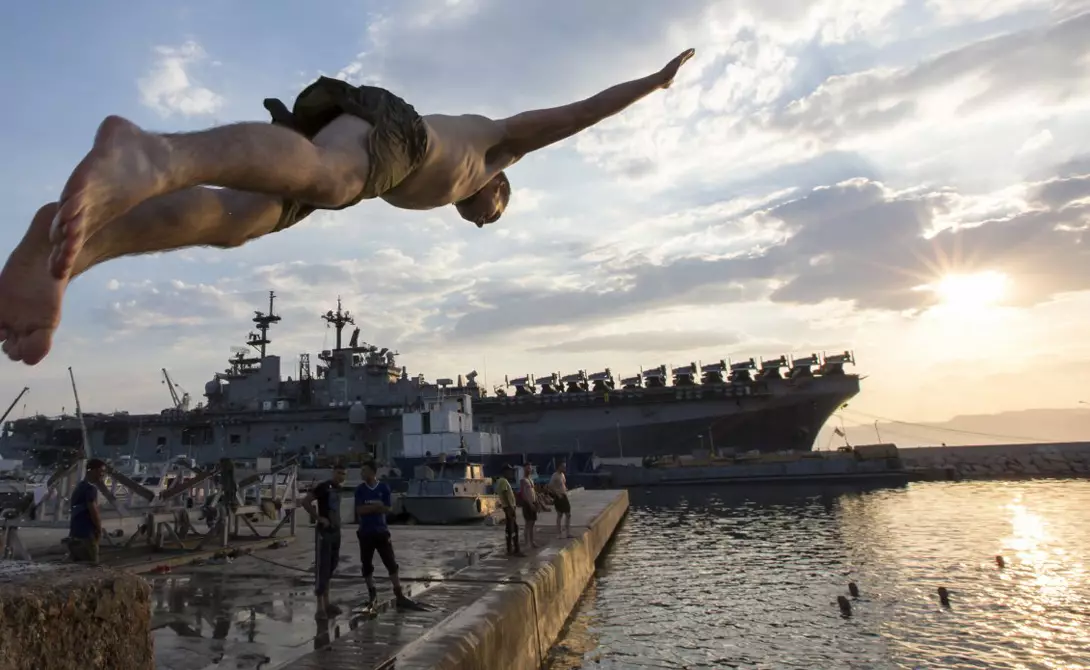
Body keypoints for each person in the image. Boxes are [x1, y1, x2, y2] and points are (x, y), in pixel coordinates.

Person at [0, 49, 696, 366]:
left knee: (241, 222)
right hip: (396, 133)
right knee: (333, 179)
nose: (481, 218)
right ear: (501, 188)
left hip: (359, 157)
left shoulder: (451, 187)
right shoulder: (498, 148)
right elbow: (578, 114)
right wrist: (652, 84)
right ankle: (155, 157)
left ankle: (78, 245)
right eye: (492, 214)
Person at [355, 460, 418, 609]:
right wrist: (376, 507)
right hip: (365, 533)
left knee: (391, 564)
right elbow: (359, 511)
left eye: (364, 470)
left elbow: (387, 509)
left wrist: (371, 508)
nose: (361, 473)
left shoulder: (384, 488)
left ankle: (399, 595)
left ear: (372, 472)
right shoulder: (359, 490)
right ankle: (372, 595)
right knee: (366, 565)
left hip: (381, 532)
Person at [300, 463, 347, 618]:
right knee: (322, 568)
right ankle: (319, 607)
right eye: (339, 472)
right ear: (333, 472)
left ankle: (327, 603)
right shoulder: (323, 487)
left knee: (331, 567)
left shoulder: (339, 489)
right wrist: (318, 518)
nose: (341, 476)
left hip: (336, 532)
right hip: (324, 533)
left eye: (343, 474)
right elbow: (306, 502)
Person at [68, 458, 106, 563]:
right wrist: (99, 528)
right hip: (86, 535)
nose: (102, 474)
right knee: (92, 568)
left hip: (74, 534)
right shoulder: (90, 489)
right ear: (92, 471)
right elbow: (93, 511)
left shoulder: (79, 487)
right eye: (100, 471)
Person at [494, 464, 522, 556]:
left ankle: (510, 548)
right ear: (505, 472)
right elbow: (506, 494)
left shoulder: (503, 481)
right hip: (508, 507)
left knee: (509, 529)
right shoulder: (503, 481)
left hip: (508, 507)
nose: (511, 473)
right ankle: (515, 550)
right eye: (509, 471)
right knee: (513, 528)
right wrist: (511, 507)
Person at [549, 459, 571, 539]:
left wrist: (565, 489)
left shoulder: (562, 475)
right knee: (560, 514)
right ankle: (558, 533)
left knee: (568, 514)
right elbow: (550, 486)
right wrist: (557, 494)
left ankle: (567, 532)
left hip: (564, 495)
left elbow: (563, 484)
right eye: (563, 466)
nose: (565, 468)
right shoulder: (555, 475)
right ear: (559, 467)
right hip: (558, 496)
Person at [518, 462, 539, 549]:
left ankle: (532, 541)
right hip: (527, 504)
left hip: (533, 502)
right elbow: (524, 494)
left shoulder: (531, 479)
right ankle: (527, 543)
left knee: (533, 523)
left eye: (530, 468)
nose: (529, 470)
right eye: (527, 468)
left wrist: (537, 501)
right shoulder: (523, 480)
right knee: (528, 523)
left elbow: (533, 492)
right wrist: (530, 504)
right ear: (524, 469)